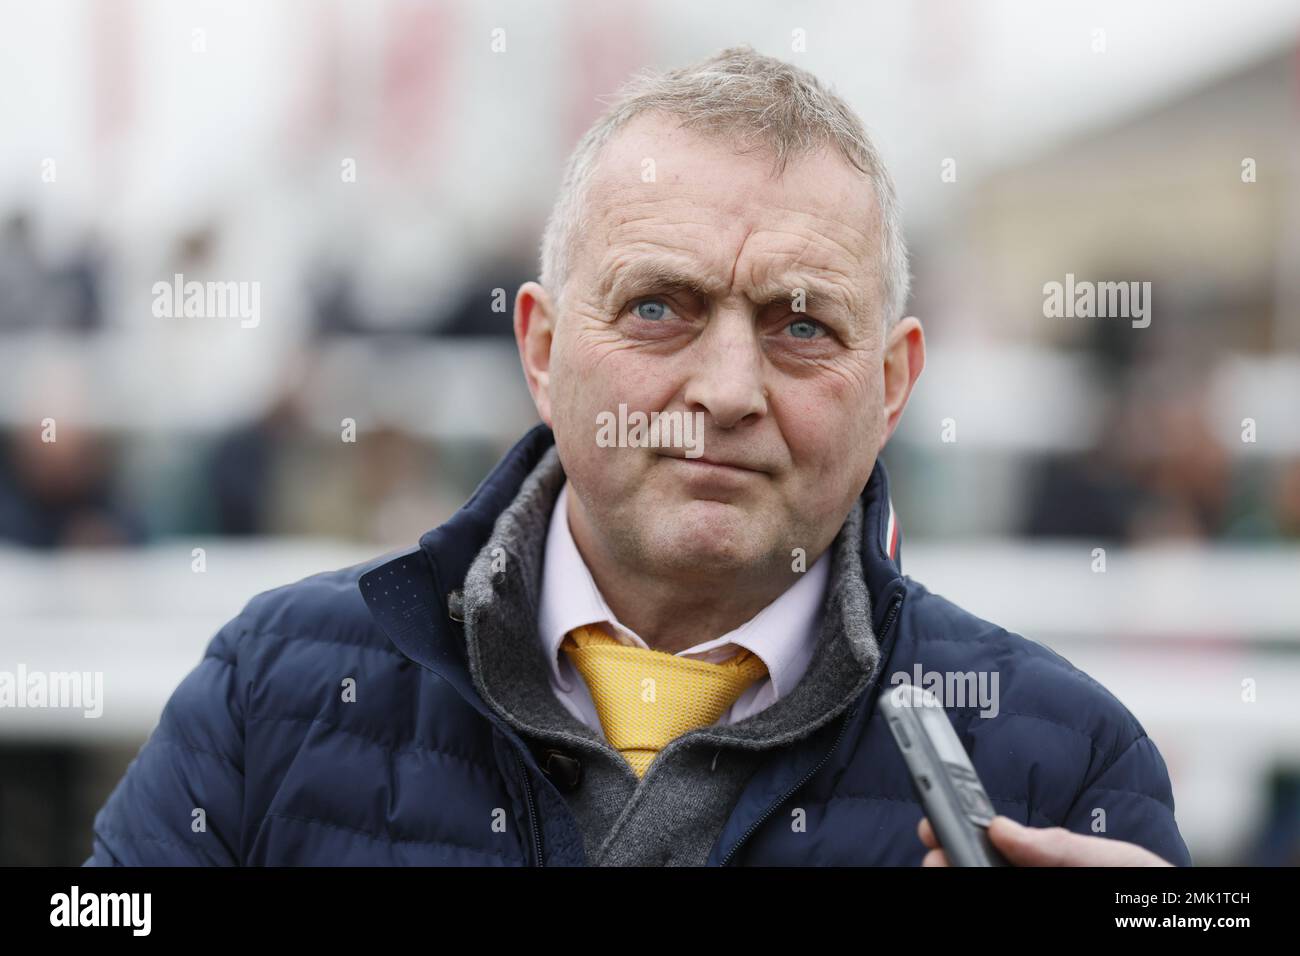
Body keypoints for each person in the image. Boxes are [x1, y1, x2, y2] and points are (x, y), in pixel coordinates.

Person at [85, 46, 1190, 867]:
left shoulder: (1067, 766)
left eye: (802, 324)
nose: (724, 389)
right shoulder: (269, 688)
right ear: (543, 347)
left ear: (893, 383)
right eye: (660, 307)